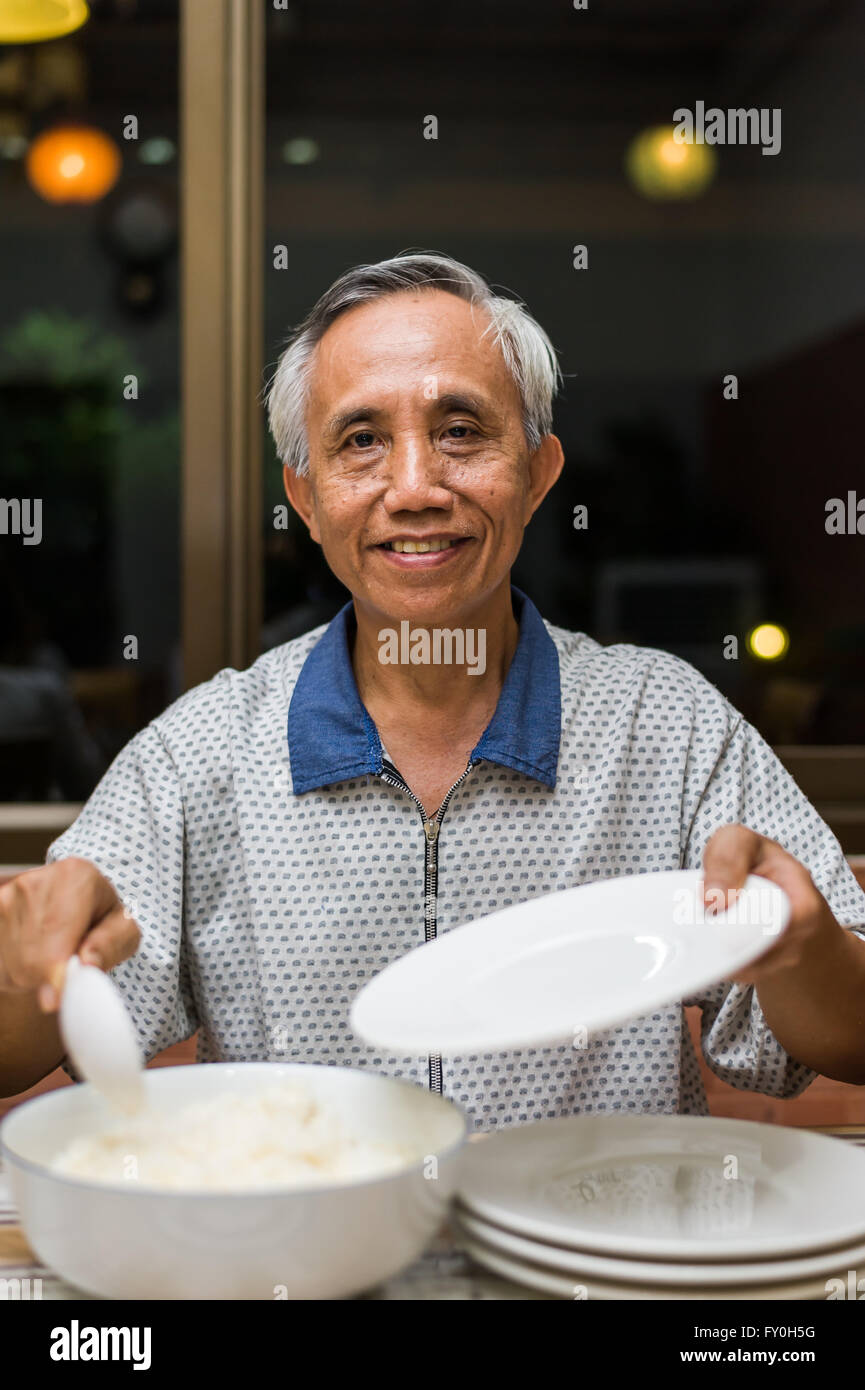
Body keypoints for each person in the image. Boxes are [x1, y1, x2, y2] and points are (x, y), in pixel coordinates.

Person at [2, 252, 864, 1126]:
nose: (413, 490)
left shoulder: (664, 724)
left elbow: (846, 1038)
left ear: (537, 472)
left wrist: (802, 947)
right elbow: (29, 1045)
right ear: (304, 498)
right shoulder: (203, 752)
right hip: (311, 1258)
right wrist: (22, 966)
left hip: (602, 1250)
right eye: (361, 441)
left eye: (460, 431)